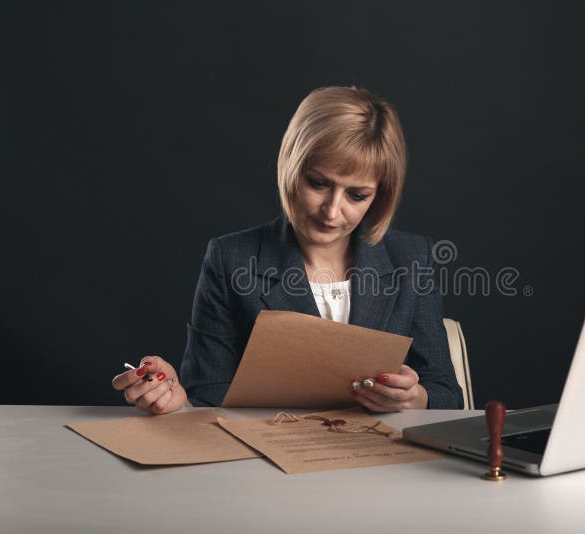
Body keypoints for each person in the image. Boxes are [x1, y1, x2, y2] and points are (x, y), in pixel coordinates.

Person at [111, 86, 463, 414]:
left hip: (379, 456)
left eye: (357, 195)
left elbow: (447, 392)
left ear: (380, 196)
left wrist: (416, 398)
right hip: (267, 454)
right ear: (291, 165)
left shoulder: (412, 257)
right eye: (318, 183)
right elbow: (207, 392)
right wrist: (178, 401)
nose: (332, 211)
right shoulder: (230, 258)